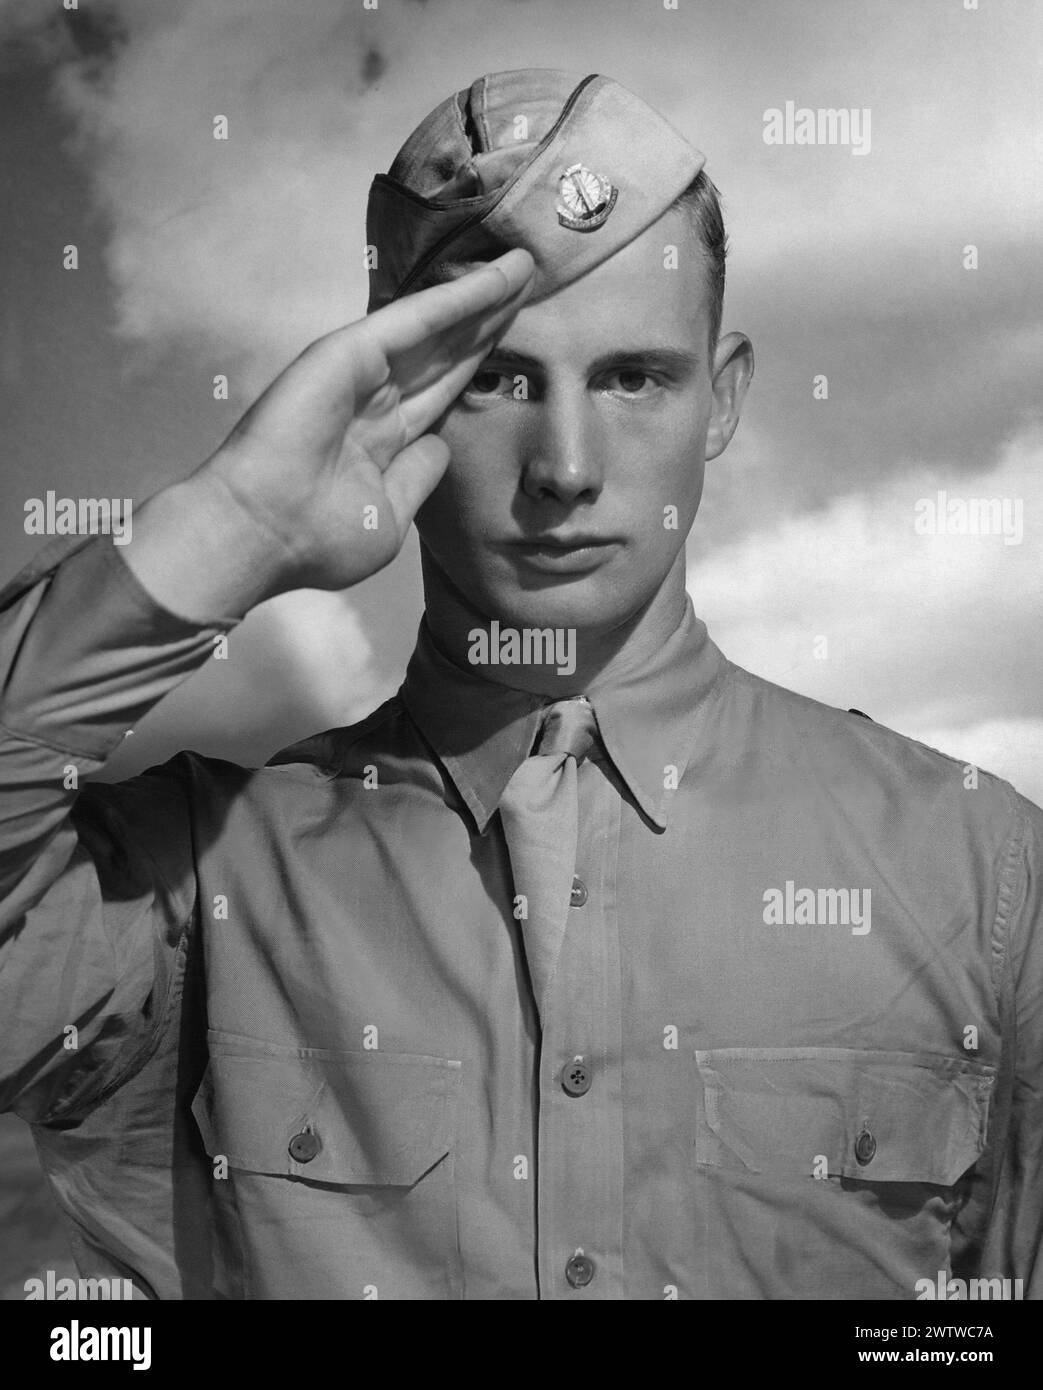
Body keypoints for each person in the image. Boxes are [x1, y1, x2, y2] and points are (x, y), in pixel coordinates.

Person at [1, 68, 1040, 1302]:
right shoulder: (198, 884)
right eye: (494, 379)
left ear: (727, 397)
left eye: (632, 376)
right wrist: (215, 529)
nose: (564, 467)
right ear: (396, 399)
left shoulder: (975, 871)